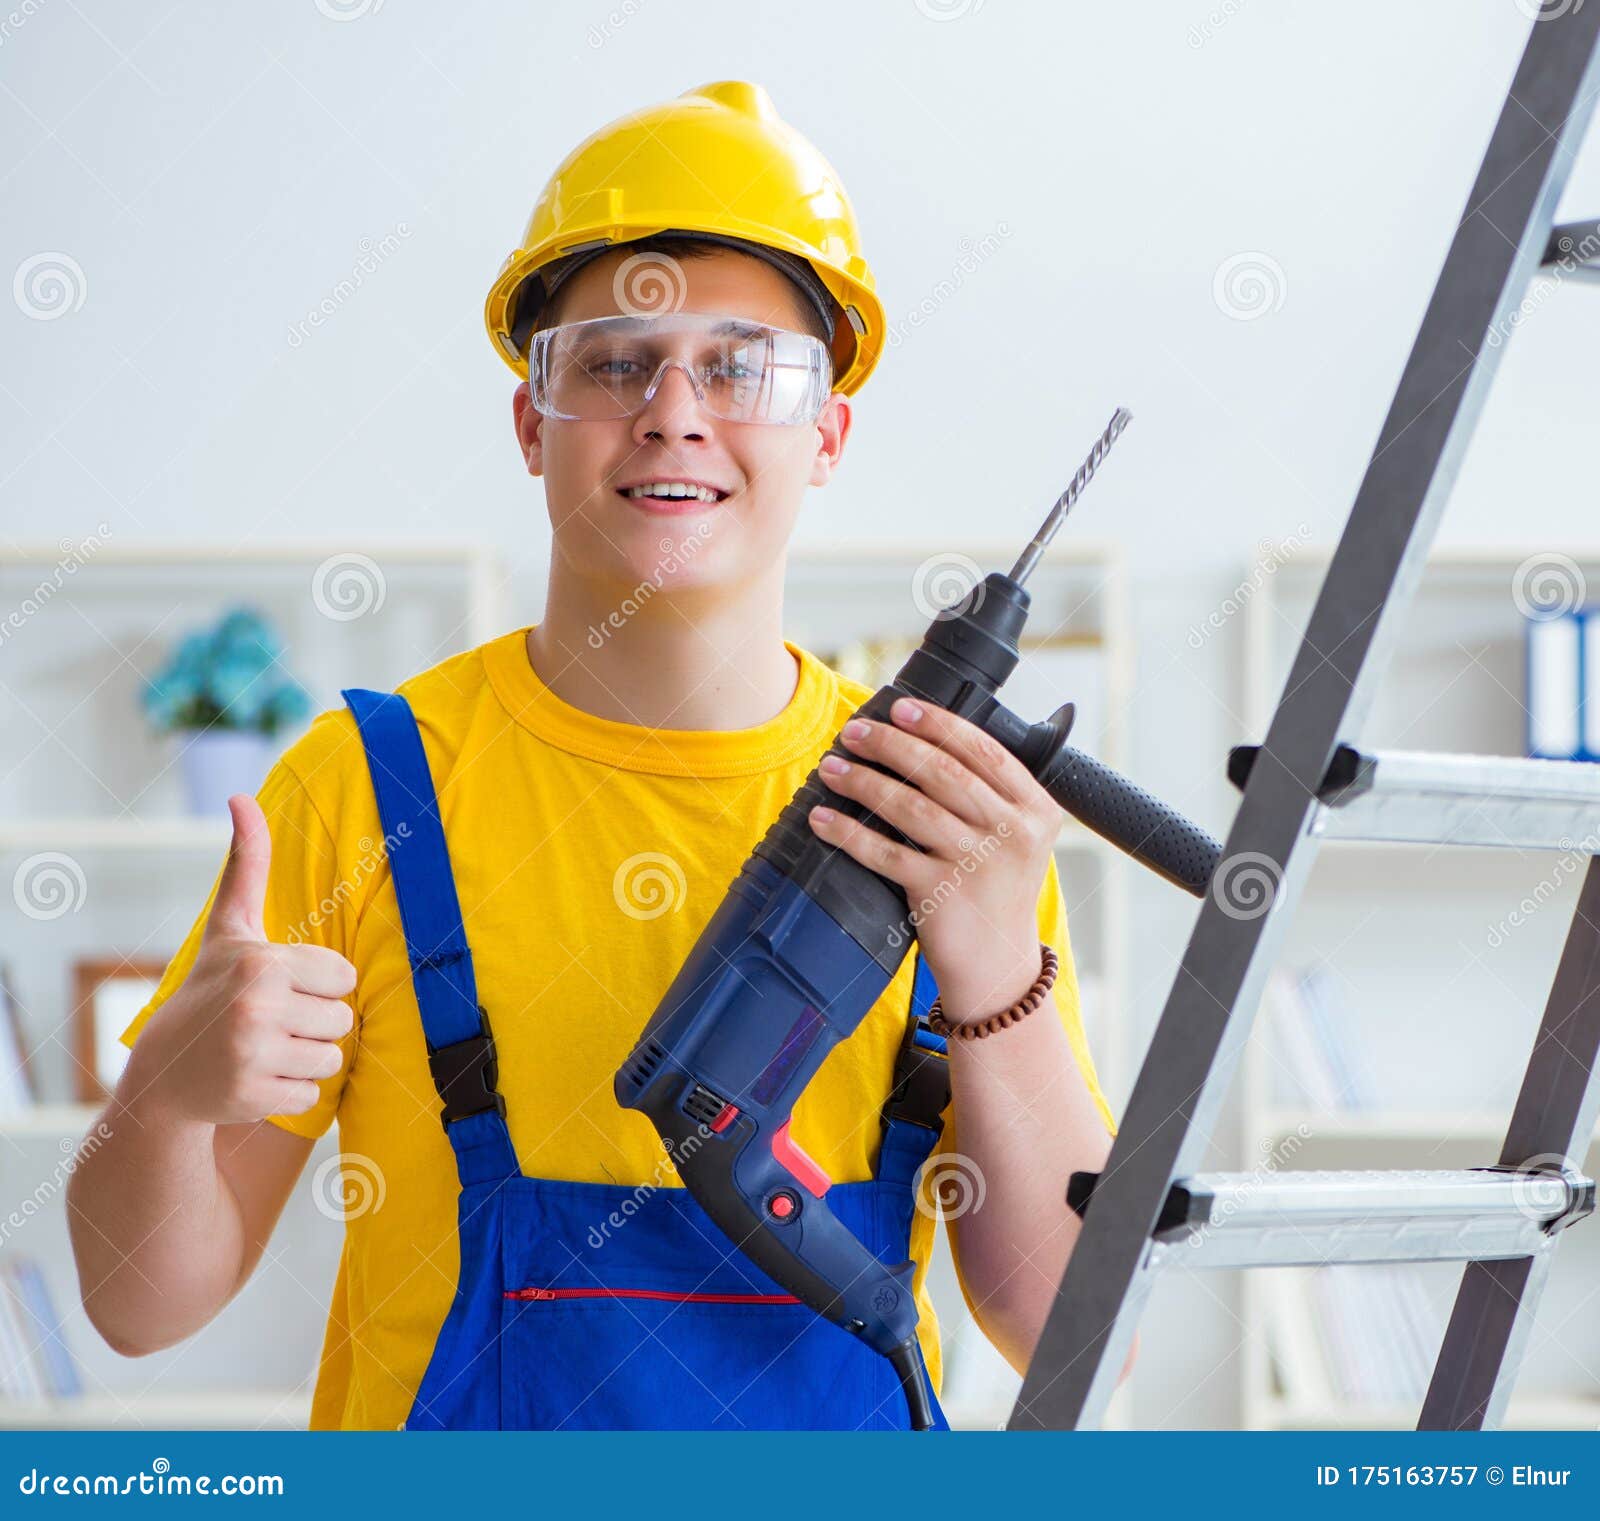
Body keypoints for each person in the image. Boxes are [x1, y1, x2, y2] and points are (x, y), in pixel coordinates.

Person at [66, 79, 1127, 1431]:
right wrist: (164, 1091)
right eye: (616, 362)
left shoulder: (936, 811)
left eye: (743, 365)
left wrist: (993, 970)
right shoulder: (364, 789)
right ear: (531, 424)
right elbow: (139, 1304)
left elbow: (1073, 1337)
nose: (676, 410)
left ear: (829, 435)